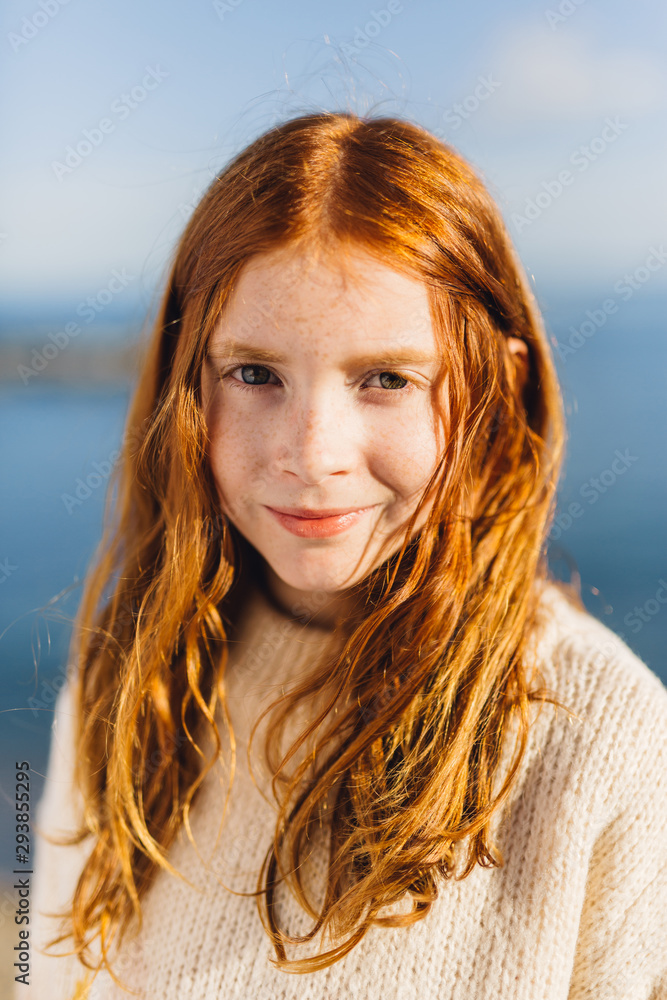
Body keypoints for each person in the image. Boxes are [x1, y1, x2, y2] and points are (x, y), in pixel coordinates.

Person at [23, 112, 667, 1000]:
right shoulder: (130, 673)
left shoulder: (603, 739)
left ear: (497, 388)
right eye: (255, 374)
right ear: (187, 381)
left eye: (387, 379)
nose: (313, 452)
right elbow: (50, 969)